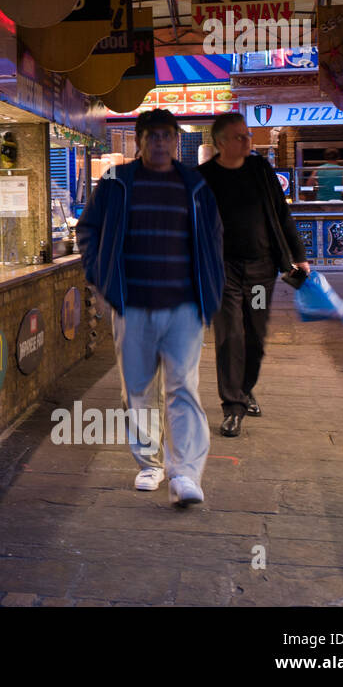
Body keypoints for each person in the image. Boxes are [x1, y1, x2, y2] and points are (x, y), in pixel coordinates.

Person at [76, 109, 225, 507]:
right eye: (152, 136)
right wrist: (100, 276)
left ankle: (186, 473)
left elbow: (213, 240)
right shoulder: (115, 182)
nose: (160, 143)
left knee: (183, 388)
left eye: (166, 136)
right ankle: (150, 464)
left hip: (184, 306)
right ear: (139, 140)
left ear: (176, 140)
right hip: (132, 304)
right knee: (139, 390)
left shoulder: (195, 184)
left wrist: (210, 292)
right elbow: (87, 229)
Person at [198, 114, 310, 437]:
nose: (248, 141)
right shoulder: (203, 178)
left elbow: (282, 214)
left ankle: (244, 389)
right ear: (221, 143)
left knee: (255, 338)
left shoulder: (261, 171)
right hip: (224, 272)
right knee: (230, 335)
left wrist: (299, 256)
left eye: (247, 135)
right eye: (240, 137)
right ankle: (233, 407)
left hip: (260, 271)